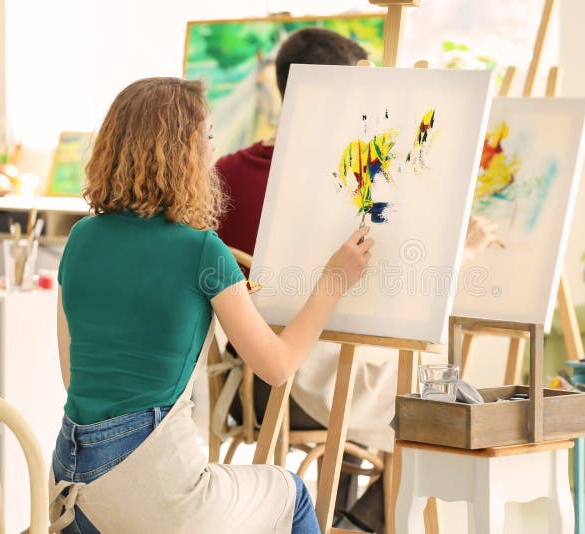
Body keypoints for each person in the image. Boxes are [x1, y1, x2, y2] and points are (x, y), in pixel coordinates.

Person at [49, 76, 374, 534]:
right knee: (293, 494)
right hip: (149, 489)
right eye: (207, 136)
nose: (212, 149)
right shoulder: (201, 250)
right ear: (182, 152)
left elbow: (72, 374)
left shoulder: (81, 238)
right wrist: (334, 280)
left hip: (70, 484)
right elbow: (278, 368)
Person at [216, 27, 499, 532]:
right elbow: (393, 281)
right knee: (440, 414)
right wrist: (465, 252)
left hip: (240, 385)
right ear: (334, 90)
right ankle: (354, 526)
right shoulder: (336, 179)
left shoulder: (224, 171)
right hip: (301, 381)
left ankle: (344, 517)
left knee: (390, 384)